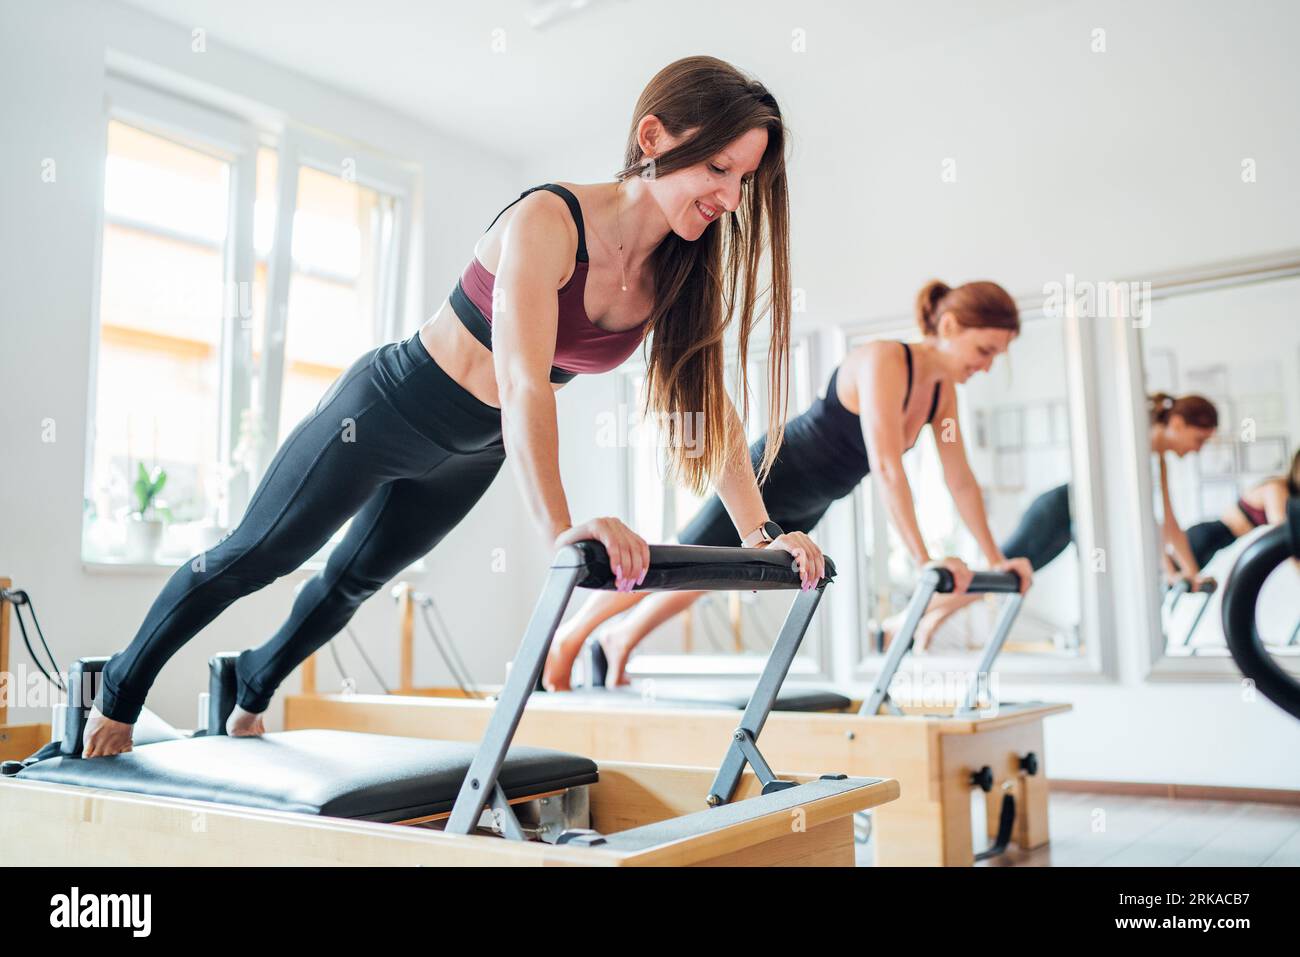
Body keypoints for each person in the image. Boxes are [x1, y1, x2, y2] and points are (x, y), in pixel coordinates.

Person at [82, 56, 826, 757]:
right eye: (717, 168)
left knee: (354, 582)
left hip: (477, 449)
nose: (730, 197)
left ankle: (252, 679)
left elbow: (708, 404)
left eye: (744, 179)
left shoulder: (679, 271)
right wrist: (564, 533)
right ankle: (120, 688)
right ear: (653, 136)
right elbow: (526, 383)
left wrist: (762, 532)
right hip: (388, 408)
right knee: (259, 555)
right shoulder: (550, 220)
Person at [543, 279, 1035, 690]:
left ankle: (619, 639)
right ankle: (574, 633)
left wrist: (995, 559)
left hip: (815, 498)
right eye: (984, 349)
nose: (987, 364)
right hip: (772, 474)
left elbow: (961, 480)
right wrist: (924, 560)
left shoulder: (940, 395)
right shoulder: (884, 360)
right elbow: (887, 466)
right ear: (949, 327)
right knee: (688, 553)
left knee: (708, 579)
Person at [911, 392, 1221, 647]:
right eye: (1199, 439)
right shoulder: (1134, 448)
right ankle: (910, 621)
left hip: (1073, 519)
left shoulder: (1157, 460)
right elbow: (1147, 521)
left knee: (1004, 583)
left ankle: (926, 621)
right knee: (1000, 577)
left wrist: (1190, 574)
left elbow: (1169, 523)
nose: (1197, 449)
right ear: (1177, 424)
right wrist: (1169, 571)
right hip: (1058, 510)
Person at [1186, 449, 1300, 567]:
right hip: (1209, 538)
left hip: (1228, 545)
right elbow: (1284, 537)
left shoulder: (1292, 498)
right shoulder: (1277, 488)